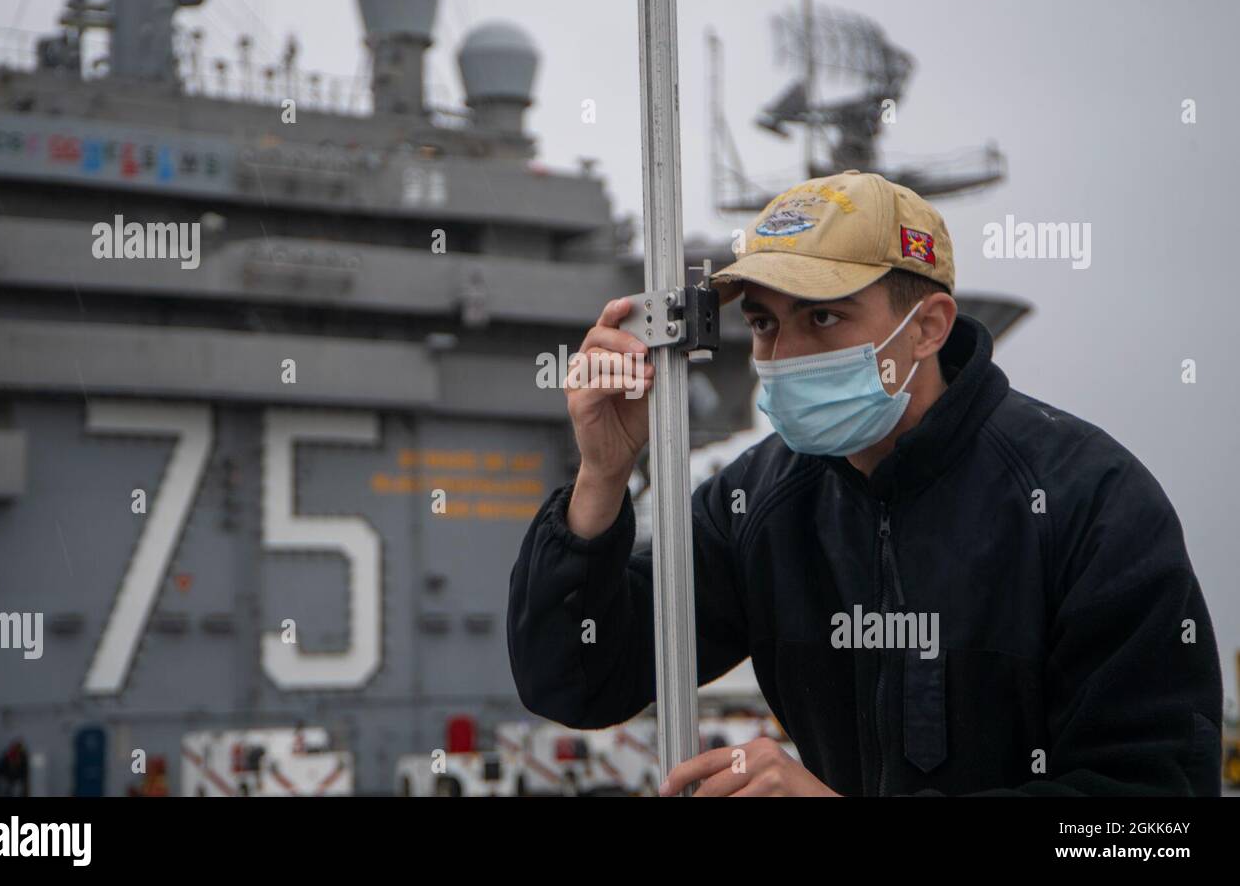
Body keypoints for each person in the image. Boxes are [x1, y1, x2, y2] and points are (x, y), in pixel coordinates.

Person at [506, 170, 1223, 796]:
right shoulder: (755, 504)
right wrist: (601, 474)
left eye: (822, 317)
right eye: (762, 323)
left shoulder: (1090, 501)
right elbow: (577, 679)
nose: (782, 355)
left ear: (928, 327)